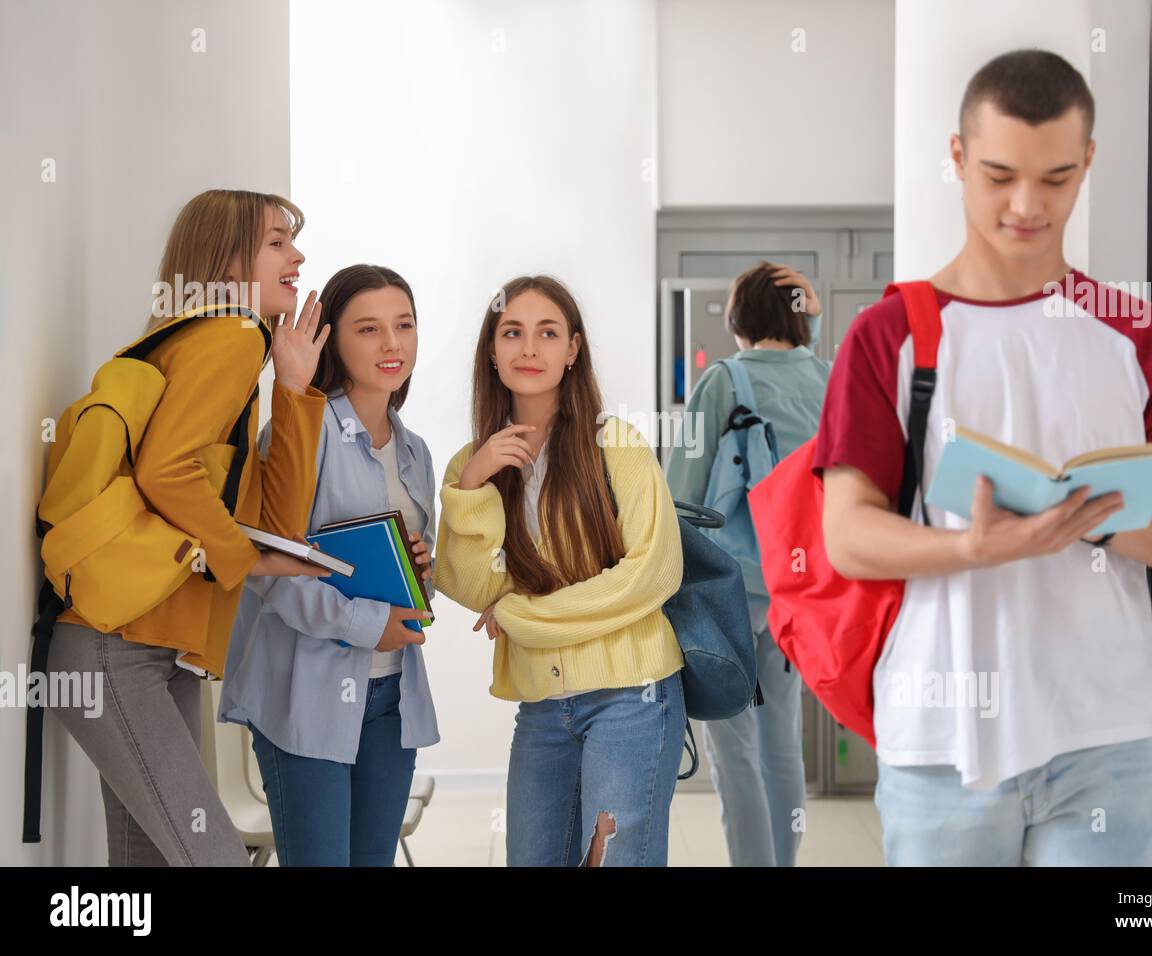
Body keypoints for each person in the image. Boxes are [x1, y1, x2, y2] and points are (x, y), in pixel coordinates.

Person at [816, 49, 1152, 866]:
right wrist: (972, 548)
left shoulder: (1138, 333)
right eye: (999, 174)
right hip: (941, 743)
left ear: (1088, 161)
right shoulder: (892, 334)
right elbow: (848, 535)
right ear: (956, 158)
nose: (1025, 205)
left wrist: (1093, 524)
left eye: (1055, 179)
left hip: (1103, 740)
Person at [46, 189, 333, 866]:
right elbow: (166, 471)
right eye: (276, 242)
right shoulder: (230, 336)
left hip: (147, 651)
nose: (297, 255)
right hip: (118, 649)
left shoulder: (226, 350)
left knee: (144, 867)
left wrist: (293, 391)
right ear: (230, 264)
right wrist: (245, 559)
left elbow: (279, 520)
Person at [433, 275, 685, 866]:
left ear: (572, 349)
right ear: (491, 353)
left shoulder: (615, 445)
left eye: (547, 333)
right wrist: (472, 486)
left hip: (633, 696)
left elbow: (652, 573)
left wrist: (523, 614)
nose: (529, 349)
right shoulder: (471, 464)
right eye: (512, 333)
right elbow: (474, 590)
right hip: (544, 705)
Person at [220, 264, 439, 866]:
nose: (392, 344)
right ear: (334, 342)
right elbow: (270, 574)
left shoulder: (416, 452)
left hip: (392, 695)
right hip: (304, 697)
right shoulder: (297, 434)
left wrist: (422, 572)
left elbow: (422, 579)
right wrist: (372, 625)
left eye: (404, 325)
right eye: (369, 329)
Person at [666, 261, 829, 866]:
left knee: (734, 752)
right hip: (801, 589)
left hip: (730, 590)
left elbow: (680, 494)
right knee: (783, 743)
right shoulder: (829, 377)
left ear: (739, 319)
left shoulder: (724, 379)